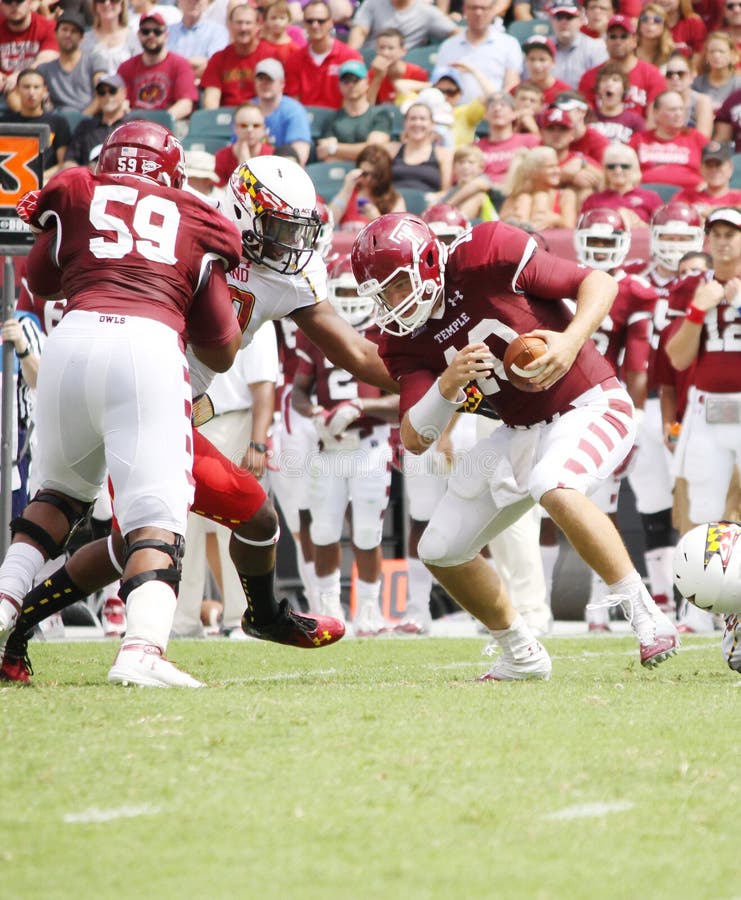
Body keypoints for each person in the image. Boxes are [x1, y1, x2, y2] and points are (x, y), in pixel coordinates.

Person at [1, 155, 397, 683]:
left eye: (296, 230)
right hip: (145, 395)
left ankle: (18, 626)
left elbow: (358, 353)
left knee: (131, 541)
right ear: (244, 212)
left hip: (160, 402)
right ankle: (241, 622)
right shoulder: (189, 224)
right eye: (279, 228)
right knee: (176, 531)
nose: (289, 244)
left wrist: (433, 381)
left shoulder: (290, 273)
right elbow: (219, 350)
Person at [350, 212, 680, 676]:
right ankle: (521, 653)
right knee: (440, 548)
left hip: (589, 402)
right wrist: (446, 386)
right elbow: (414, 438)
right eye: (382, 294)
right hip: (518, 430)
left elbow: (599, 282)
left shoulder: (486, 252)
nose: (393, 303)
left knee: (553, 483)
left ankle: (647, 615)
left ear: (426, 262)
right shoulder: (404, 341)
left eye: (398, 286)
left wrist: (569, 343)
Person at [0, 121, 244, 688]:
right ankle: (141, 648)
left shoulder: (78, 188)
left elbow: (42, 279)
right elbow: (221, 343)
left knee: (56, 496)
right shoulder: (194, 213)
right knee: (157, 515)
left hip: (72, 339)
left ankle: (5, 600)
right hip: (147, 345)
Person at [292, 255, 400, 635]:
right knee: (323, 531)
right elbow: (299, 392)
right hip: (330, 449)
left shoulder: (386, 333)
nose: (352, 300)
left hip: (369, 444)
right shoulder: (319, 333)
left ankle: (368, 610)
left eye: (357, 293)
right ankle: (329, 608)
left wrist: (361, 406)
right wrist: (315, 414)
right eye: (344, 293)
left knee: (368, 532)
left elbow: (403, 399)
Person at [572, 207, 660, 630]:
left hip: (599, 404)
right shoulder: (564, 280)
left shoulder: (635, 291)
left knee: (601, 506)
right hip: (556, 400)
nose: (600, 249)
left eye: (608, 242)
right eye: (594, 241)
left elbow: (637, 363)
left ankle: (600, 605)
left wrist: (636, 416)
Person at [430, 0, 523, 103]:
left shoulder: (509, 44)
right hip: (456, 110)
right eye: (473, 8)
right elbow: (439, 86)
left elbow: (511, 86)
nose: (478, 13)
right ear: (465, 10)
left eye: (484, 8)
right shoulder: (448, 46)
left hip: (495, 108)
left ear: (493, 10)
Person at [579, 14, 666, 118]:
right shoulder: (590, 77)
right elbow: (586, 119)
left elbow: (654, 120)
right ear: (606, 41)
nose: (618, 41)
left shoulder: (652, 74)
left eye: (624, 36)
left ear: (634, 40)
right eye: (613, 36)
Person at [117, 12, 199, 122]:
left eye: (157, 32)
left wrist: (160, 122)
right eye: (146, 31)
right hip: (135, 125)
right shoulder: (126, 67)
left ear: (166, 36)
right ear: (139, 35)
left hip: (169, 126)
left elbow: (185, 104)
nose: (151, 35)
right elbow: (121, 102)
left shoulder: (180, 64)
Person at [315, 59, 393, 162]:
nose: (351, 85)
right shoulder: (332, 118)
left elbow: (374, 151)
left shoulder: (380, 114)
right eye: (346, 81)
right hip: (340, 171)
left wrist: (333, 148)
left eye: (356, 80)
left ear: (366, 82)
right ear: (339, 85)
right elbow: (326, 156)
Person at [290, 1, 364, 110]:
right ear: (304, 23)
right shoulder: (294, 59)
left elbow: (359, 98)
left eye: (321, 21)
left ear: (330, 22)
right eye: (310, 21)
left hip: (340, 116)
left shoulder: (349, 56)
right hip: (305, 117)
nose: (315, 25)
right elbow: (293, 102)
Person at [629, 89, 708, 189]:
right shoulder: (639, 139)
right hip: (647, 194)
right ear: (656, 113)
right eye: (672, 110)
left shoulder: (696, 138)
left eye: (681, 109)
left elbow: (715, 167)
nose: (679, 114)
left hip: (689, 194)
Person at [0, 69, 70, 178]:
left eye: (36, 87)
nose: (31, 92)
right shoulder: (4, 122)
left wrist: (38, 178)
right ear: (17, 89)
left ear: (45, 90)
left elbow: (62, 163)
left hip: (46, 180)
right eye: (26, 87)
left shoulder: (58, 122)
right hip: (9, 181)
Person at [200, 3, 273, 109]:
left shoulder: (270, 56)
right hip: (227, 115)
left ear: (258, 25)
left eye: (248, 23)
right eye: (239, 23)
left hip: (261, 113)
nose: (243, 28)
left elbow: (274, 95)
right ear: (229, 25)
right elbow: (211, 99)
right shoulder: (219, 58)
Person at [579, 143, 663, 228]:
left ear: (634, 168)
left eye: (624, 166)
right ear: (605, 170)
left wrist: (639, 224)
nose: (618, 170)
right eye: (611, 166)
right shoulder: (593, 200)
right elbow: (582, 229)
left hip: (639, 235)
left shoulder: (651, 197)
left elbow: (662, 229)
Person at [499, 143, 578, 230]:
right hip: (524, 236)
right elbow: (501, 220)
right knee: (525, 199)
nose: (557, 170)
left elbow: (570, 226)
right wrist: (518, 216)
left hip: (551, 237)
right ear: (534, 172)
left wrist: (554, 219)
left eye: (557, 165)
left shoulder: (565, 195)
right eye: (550, 167)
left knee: (540, 198)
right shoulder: (517, 196)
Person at [59, 71, 128, 169]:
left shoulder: (132, 126)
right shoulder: (85, 127)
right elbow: (69, 162)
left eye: (112, 91)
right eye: (101, 92)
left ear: (124, 93)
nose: (107, 96)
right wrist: (87, 171)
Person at [328, 143, 405, 230]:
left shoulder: (394, 199)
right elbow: (329, 223)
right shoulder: (348, 192)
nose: (369, 179)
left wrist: (377, 219)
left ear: (384, 176)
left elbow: (397, 234)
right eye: (365, 174)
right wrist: (346, 188)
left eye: (375, 175)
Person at [0, 0, 59, 112]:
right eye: (8, 1)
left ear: (30, 2)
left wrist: (20, 76)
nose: (14, 6)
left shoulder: (48, 26)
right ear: (1, 5)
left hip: (38, 90)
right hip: (4, 90)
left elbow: (46, 60)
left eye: (19, 1)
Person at [474, 90, 541, 189]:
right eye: (492, 106)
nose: (497, 109)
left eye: (503, 105)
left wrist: (535, 130)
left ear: (514, 114)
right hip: (484, 192)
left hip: (516, 190)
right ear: (485, 116)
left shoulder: (529, 141)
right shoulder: (476, 147)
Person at [36, 9, 98, 115]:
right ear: (55, 33)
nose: (68, 34)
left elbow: (102, 95)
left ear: (82, 37)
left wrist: (81, 118)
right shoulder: (44, 69)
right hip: (57, 119)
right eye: (64, 29)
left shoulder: (94, 61)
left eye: (74, 31)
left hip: (89, 118)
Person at [387, 100, 454, 198]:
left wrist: (431, 199)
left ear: (432, 124)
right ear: (405, 123)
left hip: (428, 203)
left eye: (423, 119)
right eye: (413, 119)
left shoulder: (444, 154)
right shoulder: (391, 150)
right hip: (393, 202)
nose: (417, 123)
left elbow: (446, 191)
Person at [251, 57, 311, 165]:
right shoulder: (247, 109)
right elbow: (237, 147)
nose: (264, 83)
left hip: (283, 170)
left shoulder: (294, 111)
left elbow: (300, 155)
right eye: (261, 78)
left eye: (269, 79)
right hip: (250, 169)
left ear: (282, 83)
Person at [347, 0, 457, 53]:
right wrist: (351, 57)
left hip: (404, 65)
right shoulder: (373, 3)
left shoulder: (426, 11)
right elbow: (359, 30)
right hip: (372, 59)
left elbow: (455, 32)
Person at [673, 139, 741, 219]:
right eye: (709, 165)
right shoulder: (686, 196)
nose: (714, 170)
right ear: (701, 168)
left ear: (730, 167)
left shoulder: (739, 198)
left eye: (718, 164)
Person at [166, 0, 229, 83]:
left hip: (203, 86)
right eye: (189, 1)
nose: (193, 3)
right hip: (170, 85)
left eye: (197, 1)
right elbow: (160, 63)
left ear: (206, 3)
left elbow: (215, 65)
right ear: (179, 2)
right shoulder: (167, 31)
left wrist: (178, 66)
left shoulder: (218, 31)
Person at [550, 0, 607, 91]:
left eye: (569, 17)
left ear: (581, 19)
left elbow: (600, 85)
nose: (564, 22)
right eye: (559, 17)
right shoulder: (542, 47)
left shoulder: (595, 48)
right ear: (552, 20)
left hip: (583, 98)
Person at [365, 26, 429, 106]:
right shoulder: (372, 74)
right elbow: (368, 108)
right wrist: (377, 78)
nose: (385, 53)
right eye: (381, 48)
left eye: (391, 48)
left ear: (403, 51)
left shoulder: (418, 73)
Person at [214, 102, 273, 186]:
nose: (250, 130)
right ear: (235, 127)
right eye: (244, 125)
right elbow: (219, 191)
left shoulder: (272, 157)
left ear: (263, 128)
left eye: (256, 125)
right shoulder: (221, 157)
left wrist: (244, 169)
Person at [590, 61, 647, 144]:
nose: (609, 84)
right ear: (598, 89)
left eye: (615, 80)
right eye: (604, 80)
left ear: (624, 88)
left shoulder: (635, 121)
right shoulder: (588, 118)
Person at [662, 49, 714, 139]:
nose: (675, 78)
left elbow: (703, 138)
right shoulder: (659, 101)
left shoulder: (702, 101)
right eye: (669, 74)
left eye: (681, 74)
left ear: (692, 76)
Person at [81, 0, 140, 77]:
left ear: (122, 5)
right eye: (101, 0)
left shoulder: (134, 38)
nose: (107, 3)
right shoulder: (84, 40)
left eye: (113, 0)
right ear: (95, 6)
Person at [692, 31, 741, 111]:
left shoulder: (739, 84)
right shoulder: (697, 84)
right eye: (712, 51)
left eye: (721, 51)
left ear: (732, 55)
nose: (716, 55)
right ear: (706, 56)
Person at [521, 34, 572, 107]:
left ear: (553, 61)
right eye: (532, 59)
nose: (536, 65)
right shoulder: (517, 92)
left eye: (542, 60)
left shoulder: (565, 93)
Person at [635, 4, 675, 69]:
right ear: (639, 25)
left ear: (664, 26)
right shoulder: (630, 51)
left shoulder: (672, 54)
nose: (650, 22)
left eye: (657, 20)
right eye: (645, 19)